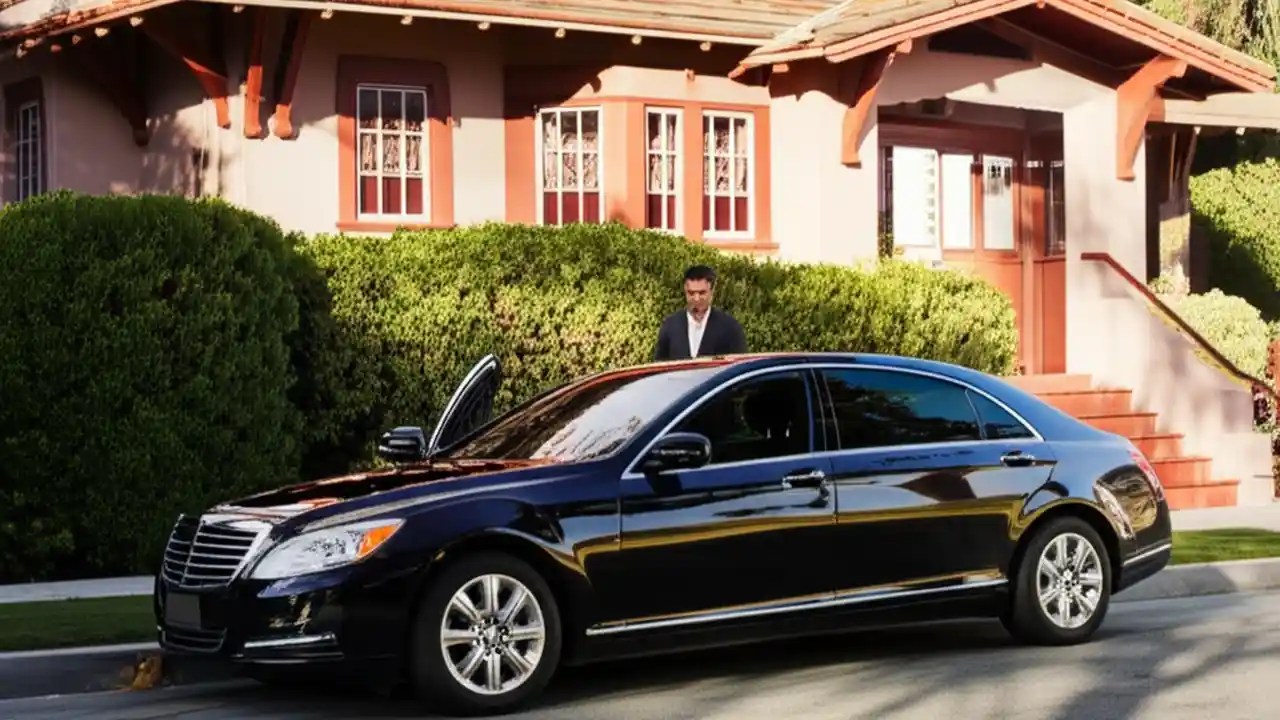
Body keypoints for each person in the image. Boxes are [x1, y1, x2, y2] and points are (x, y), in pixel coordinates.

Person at [652, 264, 747, 361]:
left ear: (712, 291)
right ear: (685, 291)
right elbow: (660, 365)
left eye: (702, 293)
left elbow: (738, 365)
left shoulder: (730, 328)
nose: (696, 299)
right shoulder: (670, 325)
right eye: (691, 293)